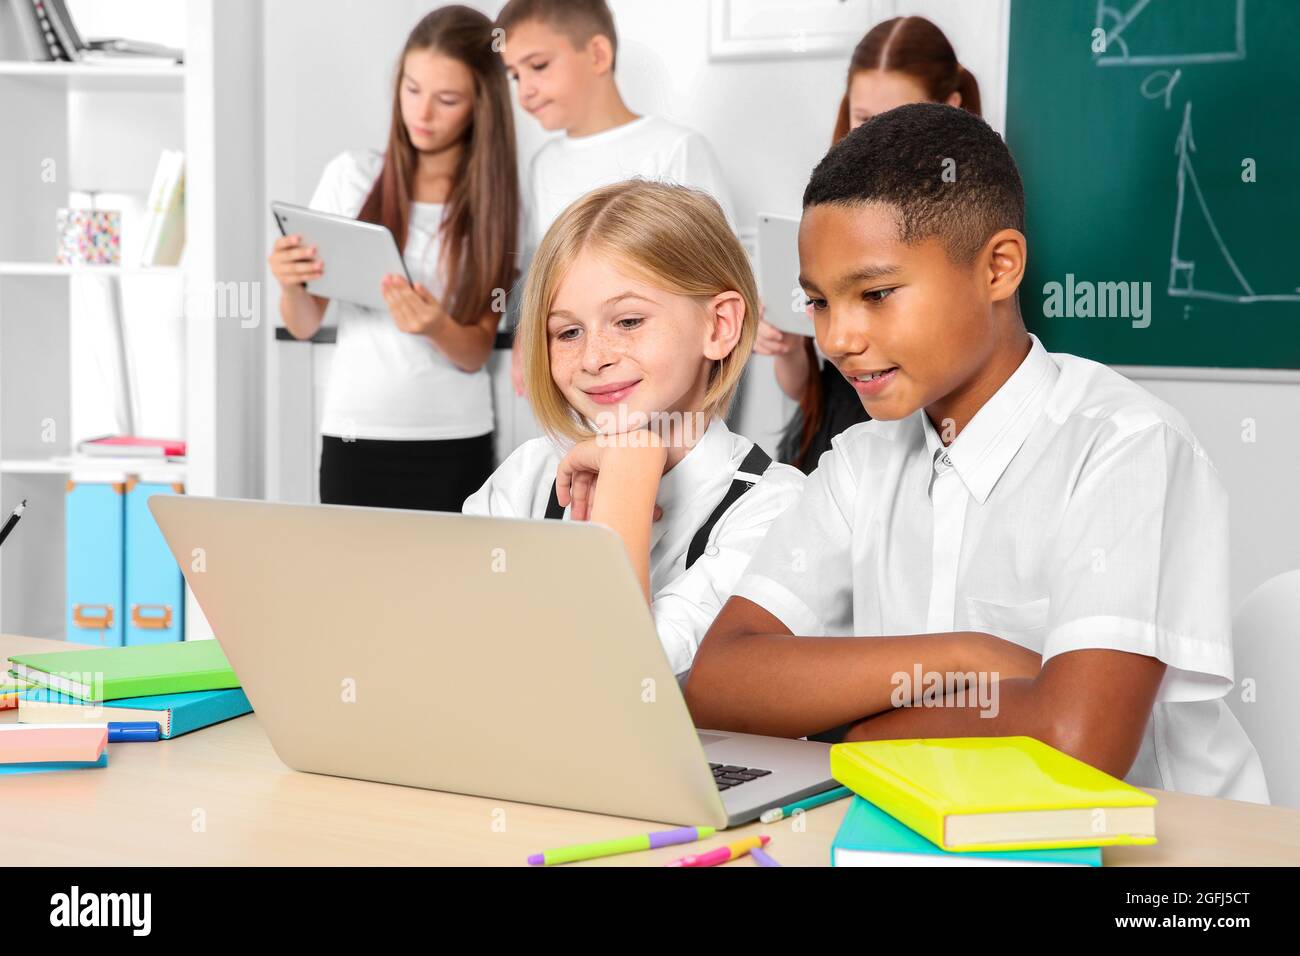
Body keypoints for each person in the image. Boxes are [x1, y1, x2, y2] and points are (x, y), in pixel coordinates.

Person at [686, 104, 1268, 803]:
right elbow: (717, 685)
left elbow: (1076, 741)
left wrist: (854, 731)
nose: (838, 338)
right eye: (818, 303)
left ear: (998, 268)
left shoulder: (1124, 448)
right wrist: (967, 656)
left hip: (1162, 857)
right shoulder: (860, 465)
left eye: (875, 294)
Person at [463, 180, 803, 680]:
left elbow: (618, 682)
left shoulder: (775, 507)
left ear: (719, 326)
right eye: (568, 332)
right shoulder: (529, 475)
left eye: (627, 321)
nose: (595, 358)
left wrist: (630, 468)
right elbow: (462, 648)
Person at [269, 5, 520, 511]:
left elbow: (473, 352)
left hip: (455, 438)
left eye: (446, 99)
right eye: (411, 90)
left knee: (451, 590)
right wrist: (290, 283)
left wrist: (433, 325)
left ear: (480, 105)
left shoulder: (499, 202)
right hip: (354, 435)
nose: (421, 114)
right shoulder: (351, 176)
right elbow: (302, 325)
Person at [758, 16, 982, 473]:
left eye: (900, 119)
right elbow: (812, 389)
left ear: (950, 106)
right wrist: (787, 348)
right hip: (833, 438)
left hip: (930, 446)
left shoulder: (974, 217)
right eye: (863, 119)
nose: (879, 140)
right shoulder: (829, 210)